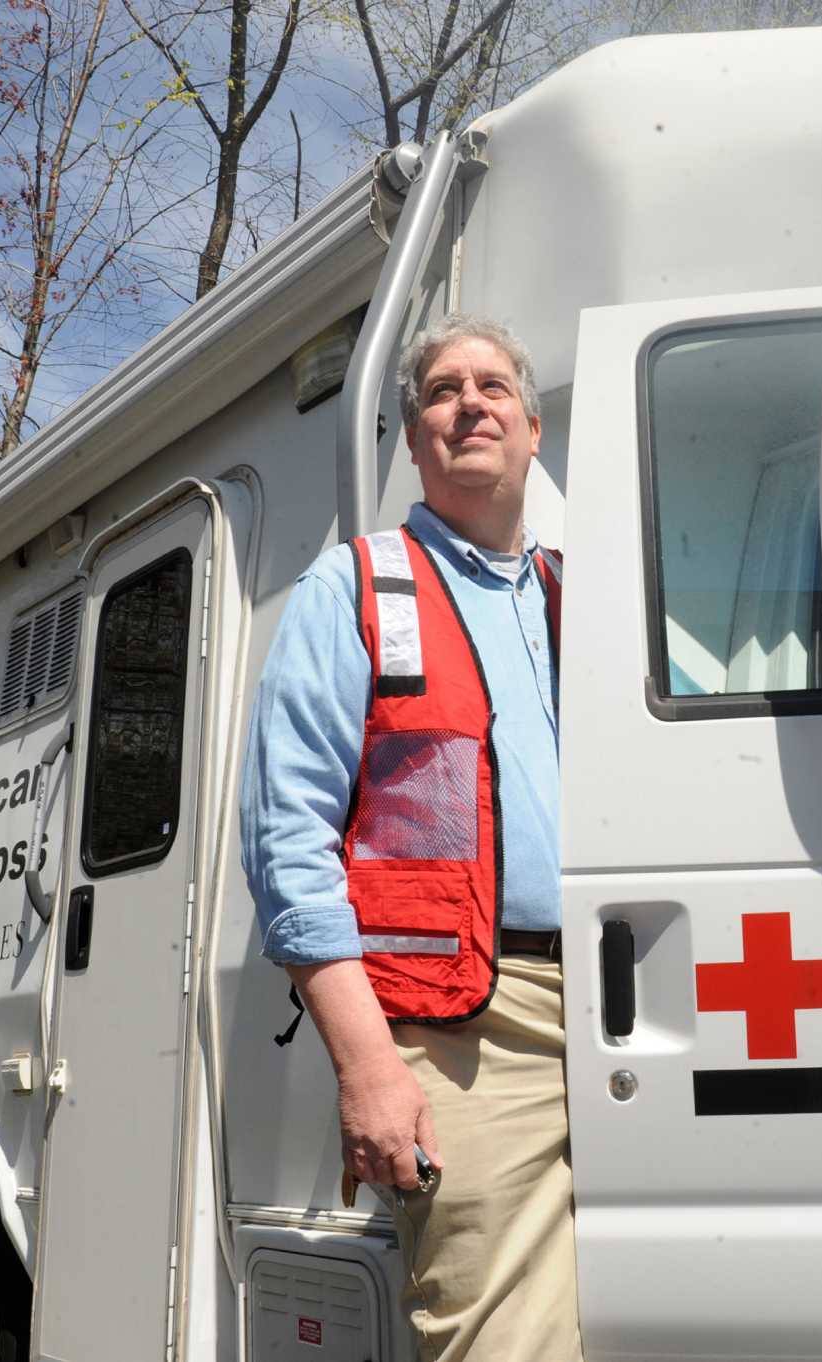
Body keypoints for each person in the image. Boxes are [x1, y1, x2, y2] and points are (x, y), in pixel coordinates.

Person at [239, 313, 578, 1362]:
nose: (467, 403)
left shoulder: (589, 597)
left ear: (530, 426)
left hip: (634, 1005)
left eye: (490, 387)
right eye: (440, 390)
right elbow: (287, 839)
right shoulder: (357, 587)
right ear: (414, 435)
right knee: (500, 1339)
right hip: (472, 1027)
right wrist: (369, 1067)